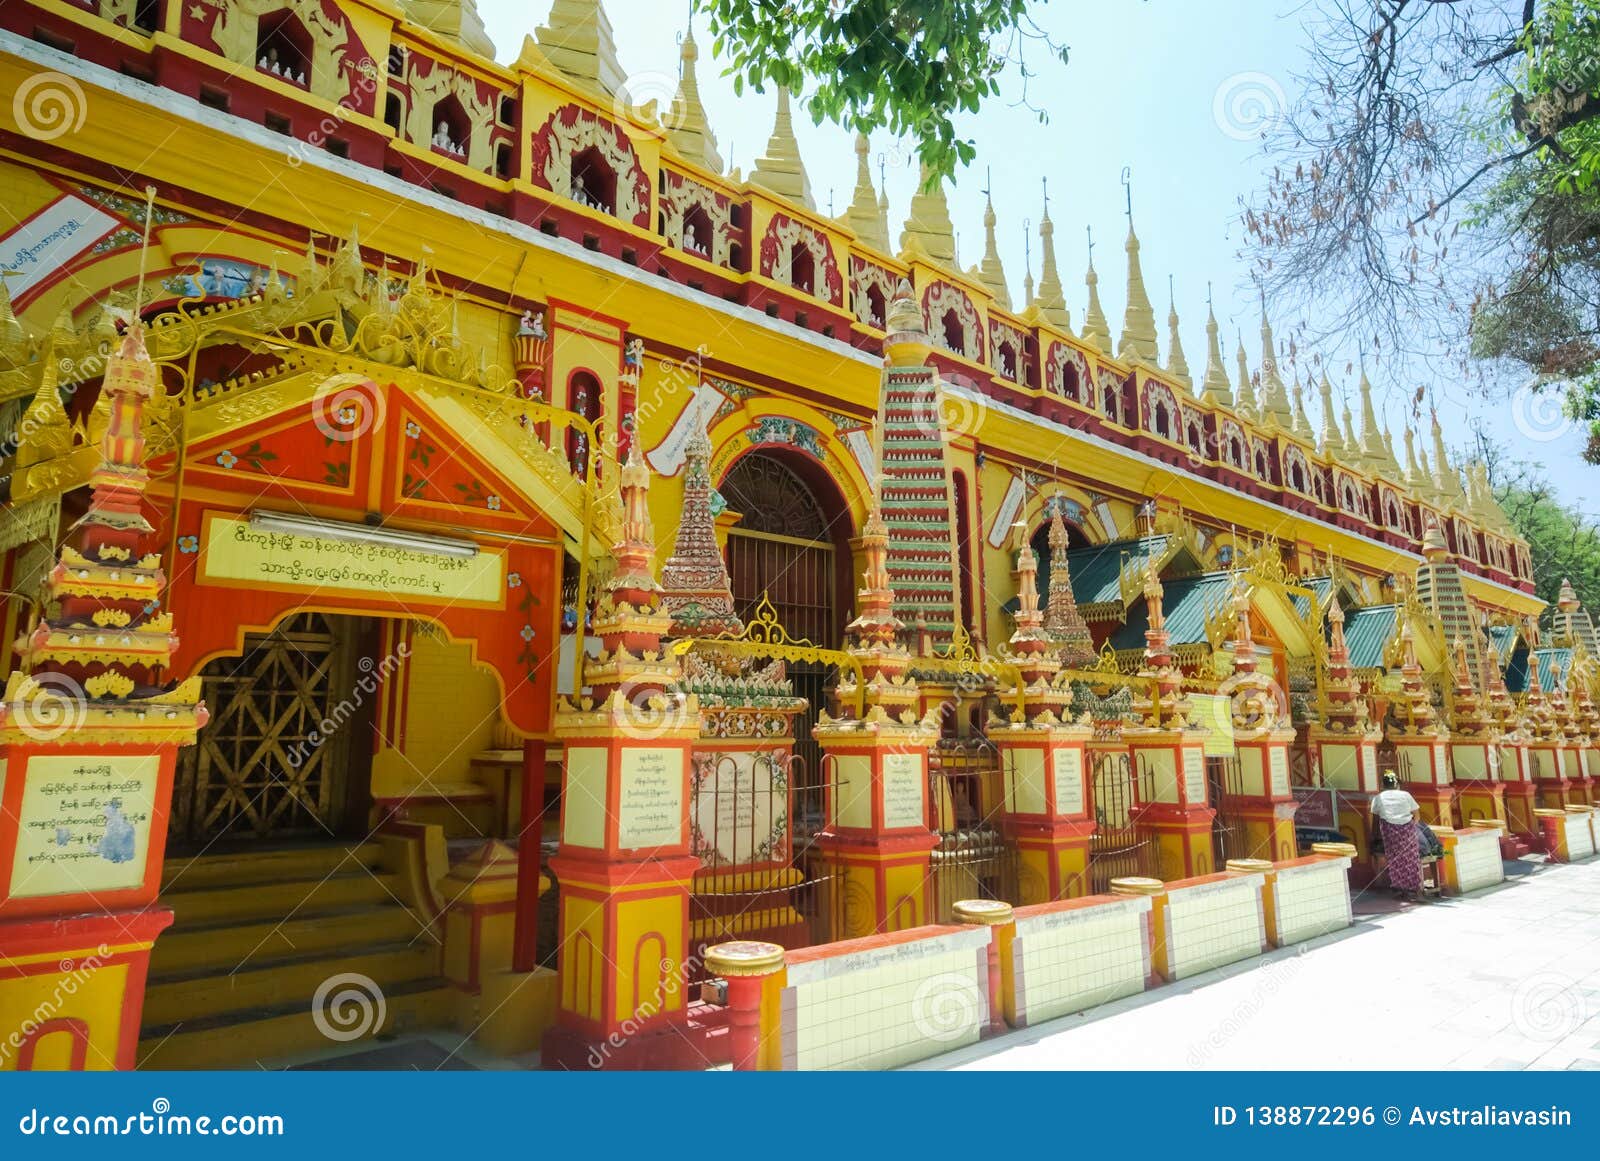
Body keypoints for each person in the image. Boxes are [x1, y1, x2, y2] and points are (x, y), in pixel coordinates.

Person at [1371, 772, 1423, 901]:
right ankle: (1414, 890)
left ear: (1383, 785)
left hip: (1389, 831)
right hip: (1407, 830)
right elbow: (1416, 815)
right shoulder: (1406, 795)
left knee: (1394, 858)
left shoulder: (1378, 797)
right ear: (1397, 784)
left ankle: (1399, 889)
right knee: (1411, 858)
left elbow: (1375, 817)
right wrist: (1410, 826)